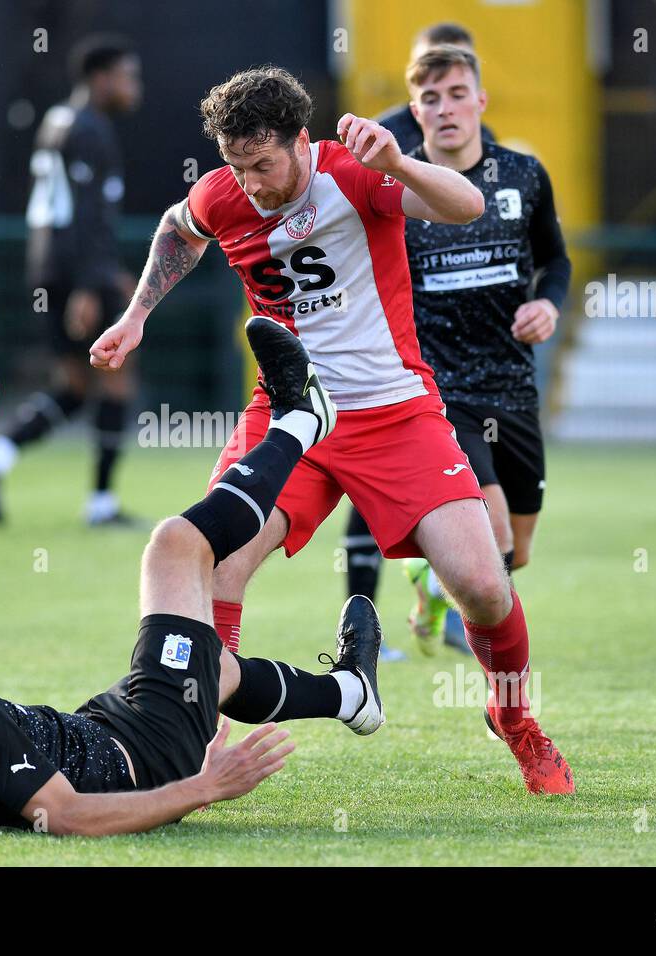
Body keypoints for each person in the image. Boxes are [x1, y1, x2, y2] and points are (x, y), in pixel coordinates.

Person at [89, 65, 574, 794]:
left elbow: (467, 204)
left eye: (262, 164)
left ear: (299, 142)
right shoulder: (226, 193)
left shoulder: (354, 172)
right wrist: (136, 316)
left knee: (482, 584)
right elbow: (178, 229)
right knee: (217, 563)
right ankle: (207, 733)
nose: (249, 183)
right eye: (235, 166)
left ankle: (516, 719)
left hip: (394, 411)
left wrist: (401, 161)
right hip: (288, 414)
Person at [0, 319, 387, 836]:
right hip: (149, 754)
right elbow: (68, 816)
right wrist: (207, 788)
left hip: (101, 726)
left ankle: (352, 694)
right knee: (174, 549)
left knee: (211, 669)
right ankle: (301, 422)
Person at [347, 45, 572, 659]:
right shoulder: (393, 189)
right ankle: (502, 681)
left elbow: (556, 260)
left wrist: (548, 304)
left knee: (517, 551)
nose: (445, 109)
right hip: (439, 392)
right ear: (413, 112)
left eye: (455, 94)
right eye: (430, 99)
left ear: (480, 101)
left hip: (514, 387)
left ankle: (432, 581)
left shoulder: (524, 175)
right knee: (493, 533)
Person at [0, 34, 143, 527]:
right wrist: (93, 284)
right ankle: (102, 504)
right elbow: (88, 215)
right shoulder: (90, 129)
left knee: (73, 385)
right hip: (74, 272)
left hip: (46, 267)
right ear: (101, 77)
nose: (134, 87)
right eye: (128, 76)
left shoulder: (55, 122)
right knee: (118, 377)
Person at [373, 22, 495, 156]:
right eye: (428, 63)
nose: (443, 74)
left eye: (460, 62)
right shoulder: (381, 137)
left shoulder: (485, 138)